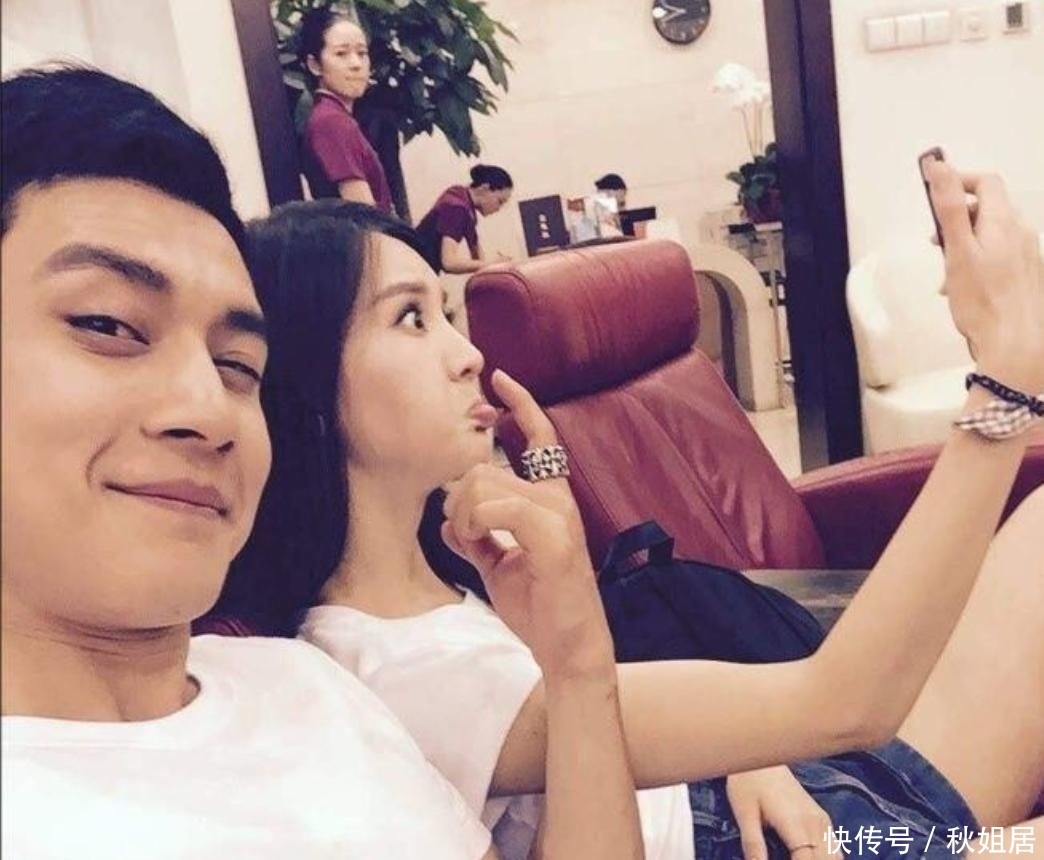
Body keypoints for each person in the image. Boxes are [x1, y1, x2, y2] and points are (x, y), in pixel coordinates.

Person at [221, 186, 1044, 858]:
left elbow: (602, 697)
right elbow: (844, 701)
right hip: (792, 830)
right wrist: (1005, 383)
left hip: (794, 796)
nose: (467, 354)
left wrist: (731, 759)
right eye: (411, 318)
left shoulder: (449, 572)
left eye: (447, 314)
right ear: (304, 381)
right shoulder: (388, 671)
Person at [0, 65, 649, 860]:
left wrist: (580, 667)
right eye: (108, 324)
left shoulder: (302, 685)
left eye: (237, 366)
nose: (210, 410)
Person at [298, 6, 394, 213]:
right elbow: (365, 215)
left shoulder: (336, 116)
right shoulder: (331, 122)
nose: (356, 64)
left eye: (362, 53)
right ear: (315, 65)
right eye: (341, 53)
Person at [416, 164, 515, 273]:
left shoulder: (462, 198)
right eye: (500, 201)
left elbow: (477, 256)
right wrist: (492, 264)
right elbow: (449, 262)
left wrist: (491, 265)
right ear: (484, 188)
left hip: (422, 267)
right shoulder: (457, 208)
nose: (499, 208)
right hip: (417, 268)